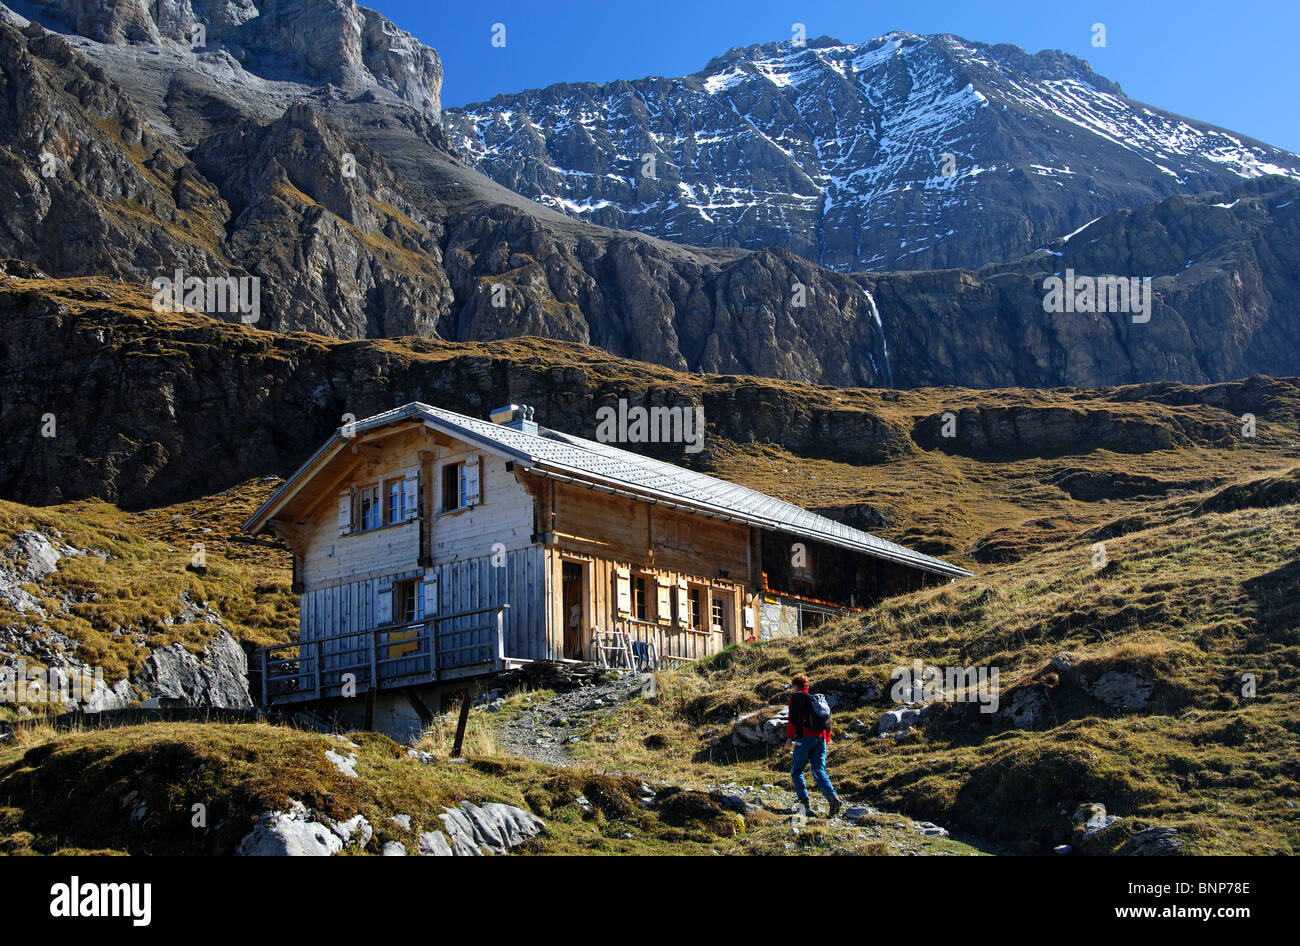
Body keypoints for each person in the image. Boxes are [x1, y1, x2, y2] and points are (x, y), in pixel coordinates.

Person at [786, 673, 842, 817]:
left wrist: (789, 738)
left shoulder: (796, 698)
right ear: (807, 686)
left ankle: (805, 805)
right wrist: (826, 740)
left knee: (796, 770)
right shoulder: (817, 700)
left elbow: (792, 720)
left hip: (803, 738)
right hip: (821, 739)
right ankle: (833, 797)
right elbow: (827, 722)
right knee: (818, 770)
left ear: (796, 686)